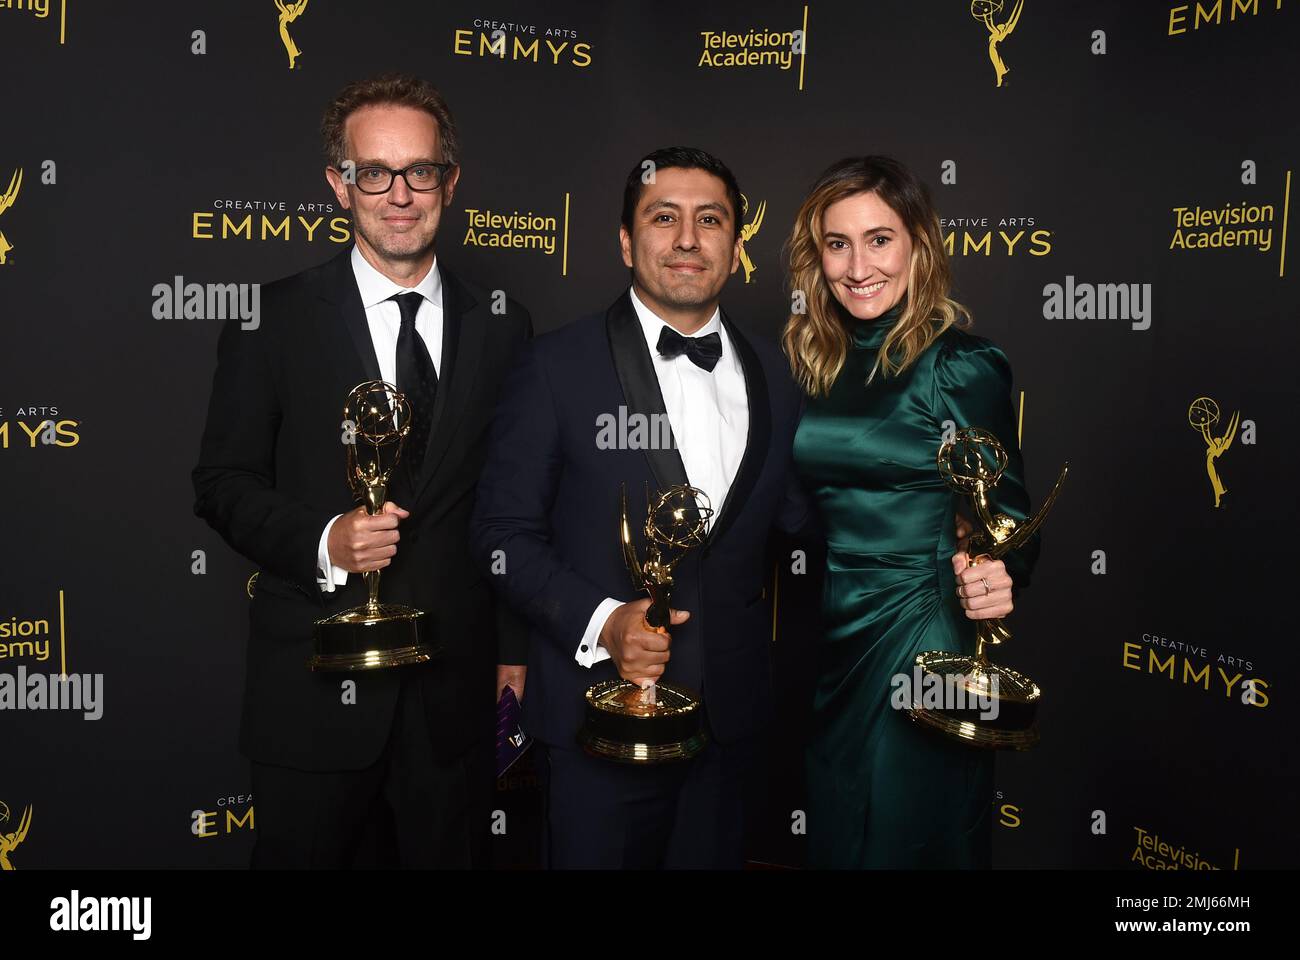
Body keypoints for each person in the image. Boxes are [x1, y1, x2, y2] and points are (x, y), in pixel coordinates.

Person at [192, 73, 530, 868]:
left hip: (453, 699)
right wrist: (324, 540)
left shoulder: (504, 325)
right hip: (311, 695)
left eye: (419, 171)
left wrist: (513, 649)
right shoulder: (268, 319)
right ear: (338, 187)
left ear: (450, 181)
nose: (399, 194)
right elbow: (222, 481)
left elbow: (515, 504)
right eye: (373, 173)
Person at [470, 146, 811, 869]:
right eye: (664, 218)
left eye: (710, 219)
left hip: (729, 730)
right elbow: (502, 533)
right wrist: (604, 620)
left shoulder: (779, 374)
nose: (688, 239)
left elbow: (804, 522)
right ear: (627, 240)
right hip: (600, 722)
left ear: (736, 244)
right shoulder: (554, 365)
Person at [782, 155, 1039, 869]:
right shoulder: (814, 360)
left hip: (923, 633)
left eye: (879, 239)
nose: (858, 265)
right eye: (838, 244)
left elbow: (1006, 517)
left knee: (910, 831)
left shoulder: (961, 364)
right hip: (834, 638)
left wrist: (1000, 568)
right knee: (838, 832)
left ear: (918, 245)